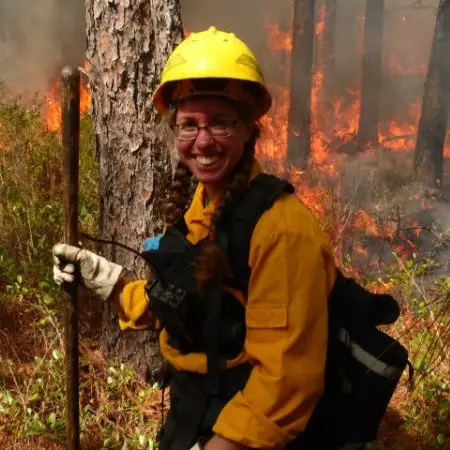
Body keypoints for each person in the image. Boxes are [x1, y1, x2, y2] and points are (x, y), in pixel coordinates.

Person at [53, 26, 338, 450]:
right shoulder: (201, 204)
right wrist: (109, 281)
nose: (203, 141)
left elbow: (286, 380)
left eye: (221, 123)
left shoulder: (284, 230)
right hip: (195, 411)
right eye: (189, 125)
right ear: (175, 131)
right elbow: (189, 298)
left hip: (244, 432)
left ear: (248, 131)